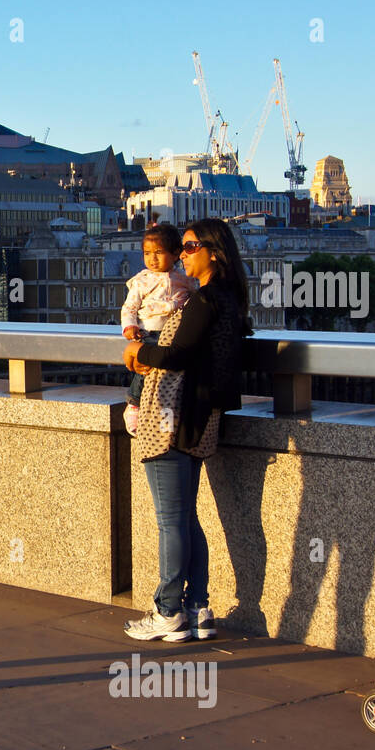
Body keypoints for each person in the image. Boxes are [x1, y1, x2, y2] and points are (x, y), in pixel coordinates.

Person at [121, 218, 251, 642]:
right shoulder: (227, 299)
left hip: (170, 419)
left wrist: (139, 351)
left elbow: (177, 354)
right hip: (198, 419)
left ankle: (168, 611)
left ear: (213, 251)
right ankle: (198, 609)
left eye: (191, 245)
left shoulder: (205, 301)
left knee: (170, 522)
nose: (182, 253)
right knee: (186, 518)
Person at [120, 224, 195, 437]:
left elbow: (197, 298)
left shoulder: (184, 278)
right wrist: (129, 326)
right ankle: (134, 404)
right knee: (146, 373)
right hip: (150, 333)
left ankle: (166, 423)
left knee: (168, 383)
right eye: (147, 253)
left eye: (159, 253)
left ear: (175, 254)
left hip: (175, 336)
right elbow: (129, 308)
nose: (152, 259)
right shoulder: (141, 280)